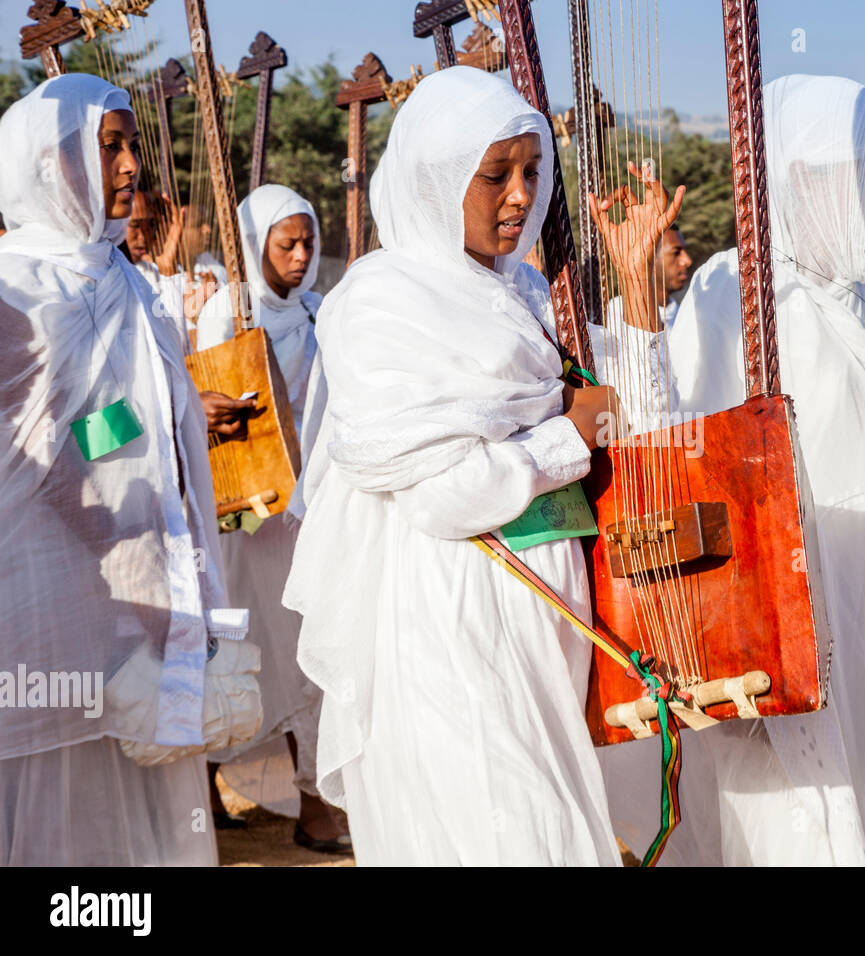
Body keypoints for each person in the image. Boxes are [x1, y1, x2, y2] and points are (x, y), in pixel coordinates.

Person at [282, 66, 635, 865]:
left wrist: (635, 290)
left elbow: (620, 409)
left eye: (532, 171)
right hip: (452, 616)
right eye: (495, 173)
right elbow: (443, 496)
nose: (519, 195)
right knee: (503, 832)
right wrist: (566, 439)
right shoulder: (381, 300)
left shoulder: (530, 294)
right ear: (438, 181)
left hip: (548, 621)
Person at [666, 74, 865, 865]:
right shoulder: (735, 294)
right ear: (810, 181)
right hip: (778, 633)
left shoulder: (854, 304)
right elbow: (693, 458)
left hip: (859, 621)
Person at [0, 73, 257, 865]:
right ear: (49, 162)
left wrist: (184, 417)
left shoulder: (131, 284)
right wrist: (119, 565)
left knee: (159, 807)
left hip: (153, 574)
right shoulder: (19, 289)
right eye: (107, 146)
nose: (127, 166)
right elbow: (34, 461)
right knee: (68, 818)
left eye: (129, 145)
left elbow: (129, 430)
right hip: (55, 600)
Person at [195, 184, 350, 851]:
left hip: (315, 512)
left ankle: (317, 802)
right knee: (243, 654)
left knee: (311, 657)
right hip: (250, 519)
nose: (300, 254)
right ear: (255, 245)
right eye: (285, 243)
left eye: (308, 241)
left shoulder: (322, 313)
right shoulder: (226, 317)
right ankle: (206, 793)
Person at [589, 226, 692, 433]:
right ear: (649, 258)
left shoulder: (686, 315)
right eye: (676, 252)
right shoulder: (617, 314)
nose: (687, 260)